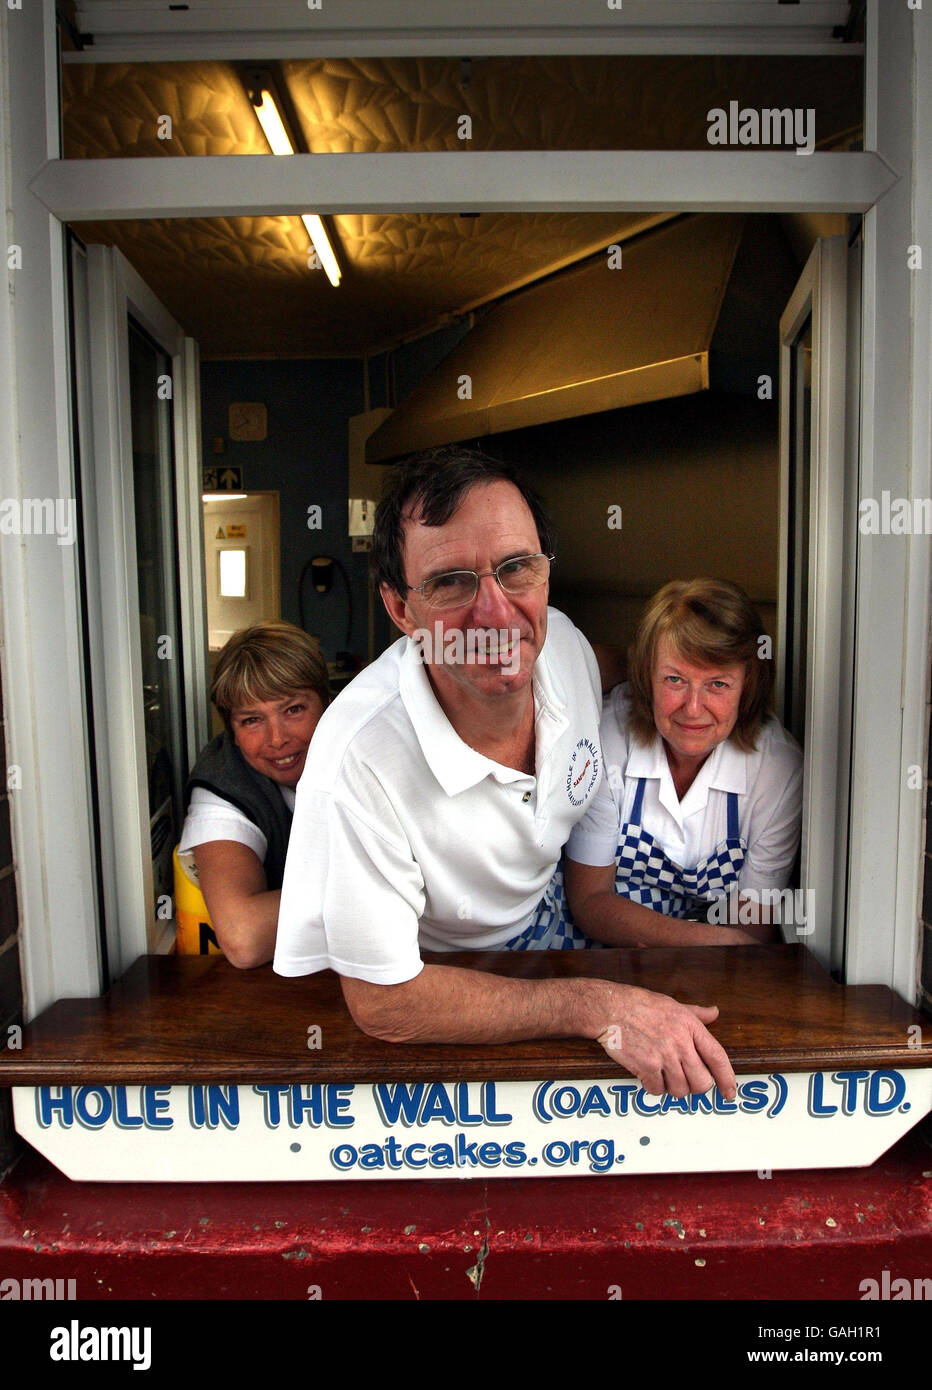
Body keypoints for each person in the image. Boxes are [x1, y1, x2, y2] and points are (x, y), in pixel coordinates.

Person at [274, 448, 737, 1099]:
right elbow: (384, 1003)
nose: (495, 612)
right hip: (447, 974)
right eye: (451, 582)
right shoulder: (357, 760)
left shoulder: (565, 646)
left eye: (517, 568)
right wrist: (595, 1008)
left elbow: (615, 665)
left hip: (557, 921)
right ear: (401, 610)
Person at [564, 578, 803, 947]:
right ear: (646, 677)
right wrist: (699, 942)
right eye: (675, 680)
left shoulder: (778, 771)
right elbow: (590, 900)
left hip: (715, 966)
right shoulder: (606, 738)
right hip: (604, 944)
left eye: (718, 685)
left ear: (749, 684)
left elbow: (749, 926)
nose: (693, 709)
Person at [179, 620, 330, 969]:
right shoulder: (223, 783)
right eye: (252, 720)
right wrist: (382, 879)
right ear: (231, 730)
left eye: (293, 710)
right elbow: (244, 937)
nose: (277, 739)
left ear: (327, 703)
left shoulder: (372, 749)